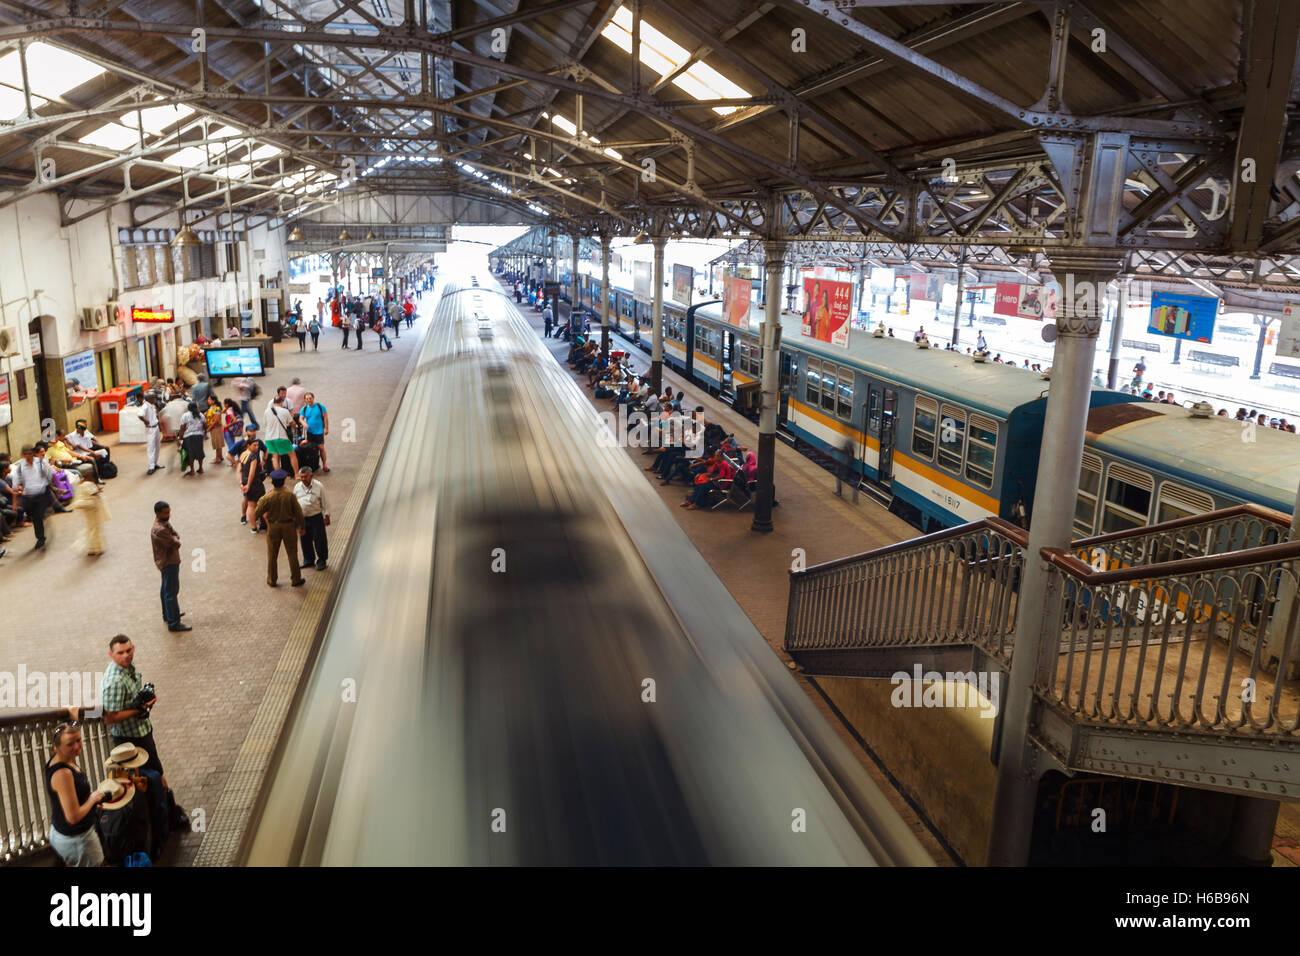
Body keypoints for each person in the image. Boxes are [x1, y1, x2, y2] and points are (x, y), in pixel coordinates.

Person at [101, 635, 187, 826]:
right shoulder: (114, 681)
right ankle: (167, 816)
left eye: (128, 651)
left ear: (134, 648)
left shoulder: (127, 670)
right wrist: (138, 709)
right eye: (120, 653)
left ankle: (166, 814)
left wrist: (144, 705)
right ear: (111, 654)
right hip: (130, 738)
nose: (126, 656)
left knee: (155, 773)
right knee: (149, 778)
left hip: (141, 731)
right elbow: (110, 717)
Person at [44, 723, 108, 867]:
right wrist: (93, 798)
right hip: (78, 840)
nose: (77, 746)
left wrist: (72, 714)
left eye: (78, 740)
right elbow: (73, 817)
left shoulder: (61, 759)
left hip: (62, 832)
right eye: (70, 744)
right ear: (56, 746)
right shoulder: (63, 774)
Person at [255, 470, 305, 587]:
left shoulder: (267, 497)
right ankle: (296, 579)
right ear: (284, 481)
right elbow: (299, 513)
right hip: (288, 526)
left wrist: (265, 518)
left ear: (272, 482)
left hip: (273, 527)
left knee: (272, 554)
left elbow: (257, 512)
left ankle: (272, 579)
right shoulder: (290, 496)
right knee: (292, 553)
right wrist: (302, 527)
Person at [151, 501, 189, 631]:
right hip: (168, 561)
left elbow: (175, 534)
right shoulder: (160, 529)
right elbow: (175, 543)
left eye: (169, 512)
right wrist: (175, 539)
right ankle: (173, 622)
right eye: (166, 512)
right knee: (171, 592)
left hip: (165, 561)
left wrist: (174, 537)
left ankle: (168, 614)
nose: (169, 515)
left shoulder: (163, 523)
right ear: (157, 513)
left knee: (166, 589)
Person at [11, 444, 54, 550]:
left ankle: (40, 538)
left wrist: (49, 485)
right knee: (34, 516)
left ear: (33, 453)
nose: (28, 456)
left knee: (37, 517)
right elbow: (15, 485)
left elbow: (49, 475)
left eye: (30, 453)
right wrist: (14, 502)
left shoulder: (40, 463)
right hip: (29, 496)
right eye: (25, 454)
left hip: (42, 494)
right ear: (22, 455)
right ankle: (41, 519)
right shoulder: (20, 467)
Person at [294, 465, 330, 571]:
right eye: (301, 477)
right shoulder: (297, 487)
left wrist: (326, 515)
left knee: (319, 540)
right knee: (305, 540)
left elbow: (325, 502)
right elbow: (294, 503)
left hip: (316, 517)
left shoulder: (319, 486)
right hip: (303, 518)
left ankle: (322, 560)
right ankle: (308, 560)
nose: (303, 479)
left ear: (311, 476)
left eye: (305, 476)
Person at [69, 480, 110, 555]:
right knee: (95, 528)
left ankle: (91, 548)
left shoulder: (80, 484)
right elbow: (93, 493)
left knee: (90, 528)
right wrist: (99, 489)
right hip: (92, 509)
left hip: (87, 510)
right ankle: (96, 548)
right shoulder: (88, 484)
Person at [262, 395, 298, 475]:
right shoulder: (285, 411)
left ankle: (278, 476)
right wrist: (295, 425)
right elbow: (292, 423)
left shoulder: (266, 411)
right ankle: (296, 474)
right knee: (292, 455)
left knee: (275, 457)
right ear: (281, 402)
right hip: (281, 437)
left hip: (269, 438)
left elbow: (265, 424)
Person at [299, 392, 330, 473]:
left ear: (313, 398)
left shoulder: (320, 406)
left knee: (321, 448)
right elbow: (300, 419)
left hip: (319, 432)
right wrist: (304, 423)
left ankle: (324, 465)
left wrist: (326, 428)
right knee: (310, 449)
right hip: (310, 433)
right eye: (307, 399)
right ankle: (312, 465)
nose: (309, 400)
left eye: (310, 398)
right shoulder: (304, 409)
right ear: (305, 400)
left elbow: (325, 417)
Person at [239, 437, 266, 530]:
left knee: (250, 504)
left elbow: (240, 470)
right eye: (254, 445)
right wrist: (249, 485)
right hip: (254, 482)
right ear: (248, 445)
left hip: (245, 481)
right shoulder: (253, 457)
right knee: (260, 503)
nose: (257, 447)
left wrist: (241, 483)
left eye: (257, 445)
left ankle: (253, 527)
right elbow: (252, 472)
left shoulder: (243, 454)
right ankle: (263, 523)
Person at [179, 401, 207, 476]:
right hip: (199, 436)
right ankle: (201, 468)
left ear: (188, 408)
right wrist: (204, 433)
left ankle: (192, 470)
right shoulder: (201, 415)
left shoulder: (185, 415)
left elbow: (182, 428)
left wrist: (180, 437)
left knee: (190, 453)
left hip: (189, 437)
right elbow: (205, 425)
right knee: (199, 452)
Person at [204, 393, 225, 464]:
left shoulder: (217, 409)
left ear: (213, 401)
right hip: (214, 428)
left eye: (209, 399)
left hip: (216, 428)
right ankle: (220, 456)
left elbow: (216, 420)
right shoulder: (211, 408)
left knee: (217, 443)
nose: (208, 400)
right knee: (218, 443)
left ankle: (217, 458)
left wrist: (209, 428)